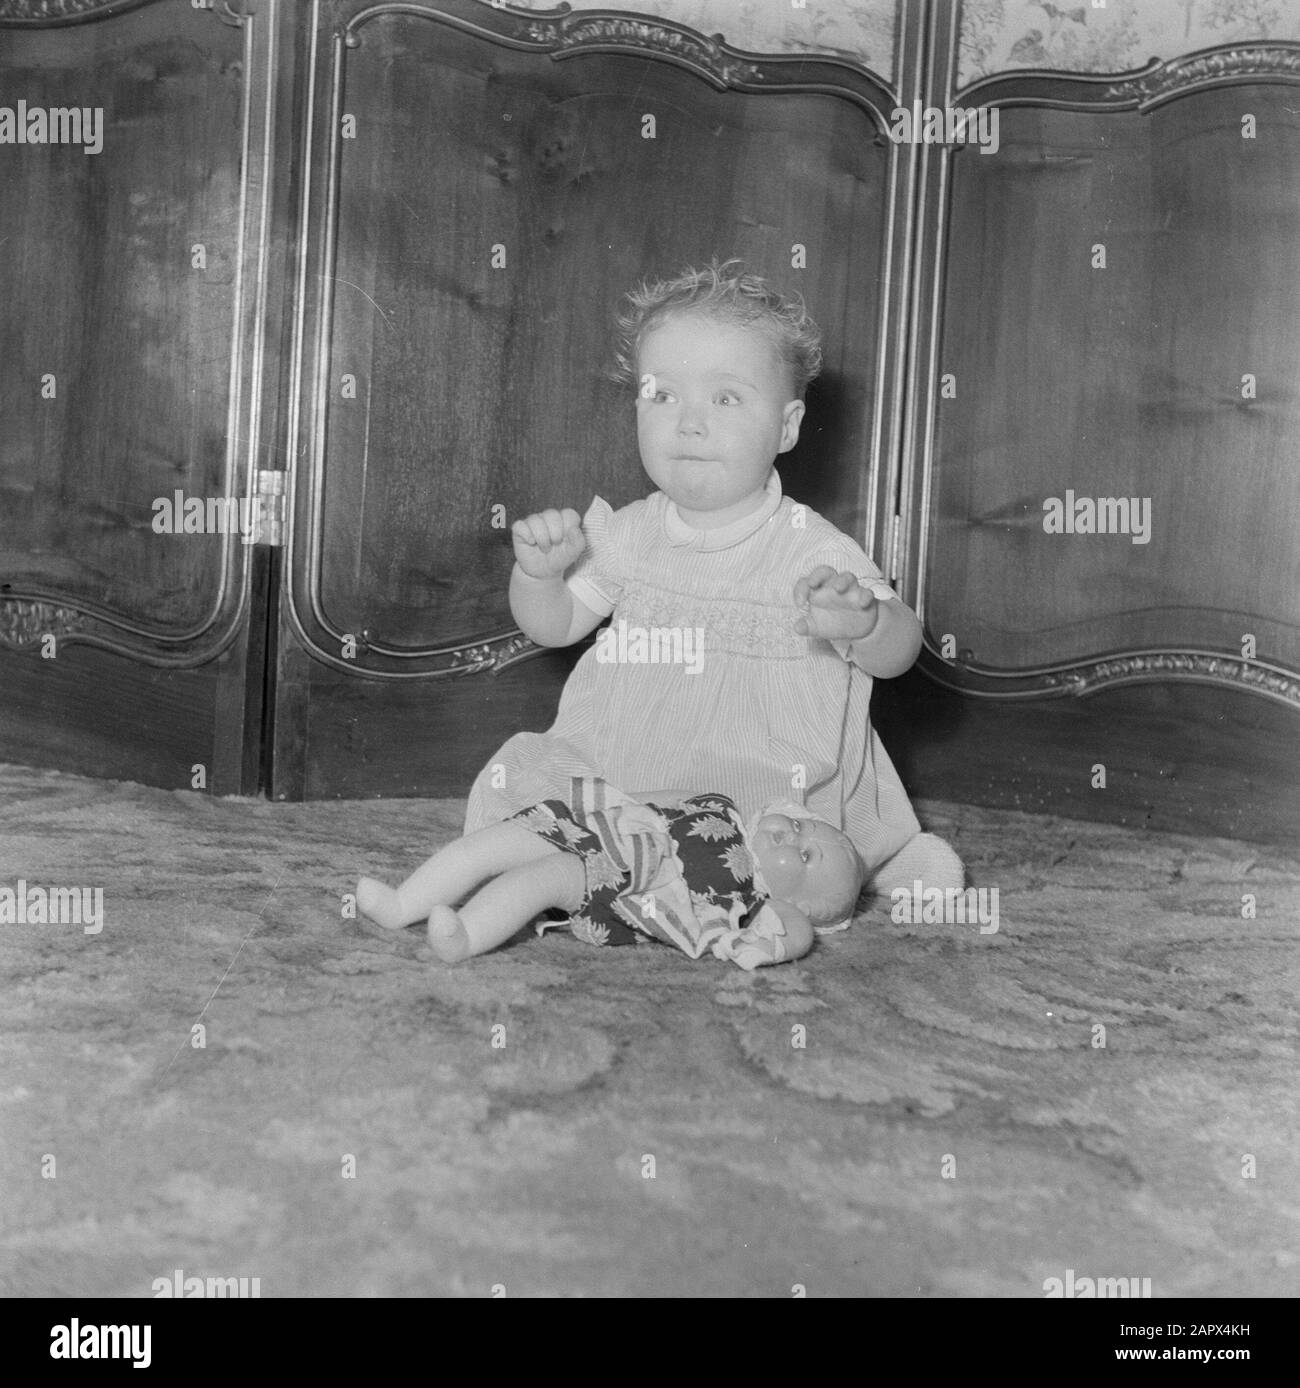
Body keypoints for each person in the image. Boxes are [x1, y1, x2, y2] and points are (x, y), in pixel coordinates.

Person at [465, 259, 962, 901]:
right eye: (662, 395)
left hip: (763, 781)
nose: (689, 422)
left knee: (782, 855)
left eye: (724, 398)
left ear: (786, 426)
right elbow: (555, 624)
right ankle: (623, 861)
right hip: (629, 766)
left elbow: (899, 654)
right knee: (524, 797)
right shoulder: (629, 534)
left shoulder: (810, 549)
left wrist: (866, 623)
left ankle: (874, 861)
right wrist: (538, 576)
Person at [357, 777, 864, 970]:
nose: (792, 837)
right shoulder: (725, 807)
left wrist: (783, 940)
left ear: (795, 899)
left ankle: (466, 936)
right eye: (800, 825)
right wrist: (614, 804)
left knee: (543, 877)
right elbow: (666, 800)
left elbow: (796, 933)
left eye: (804, 857)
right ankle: (403, 905)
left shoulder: (755, 898)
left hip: (623, 882)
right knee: (490, 844)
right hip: (601, 828)